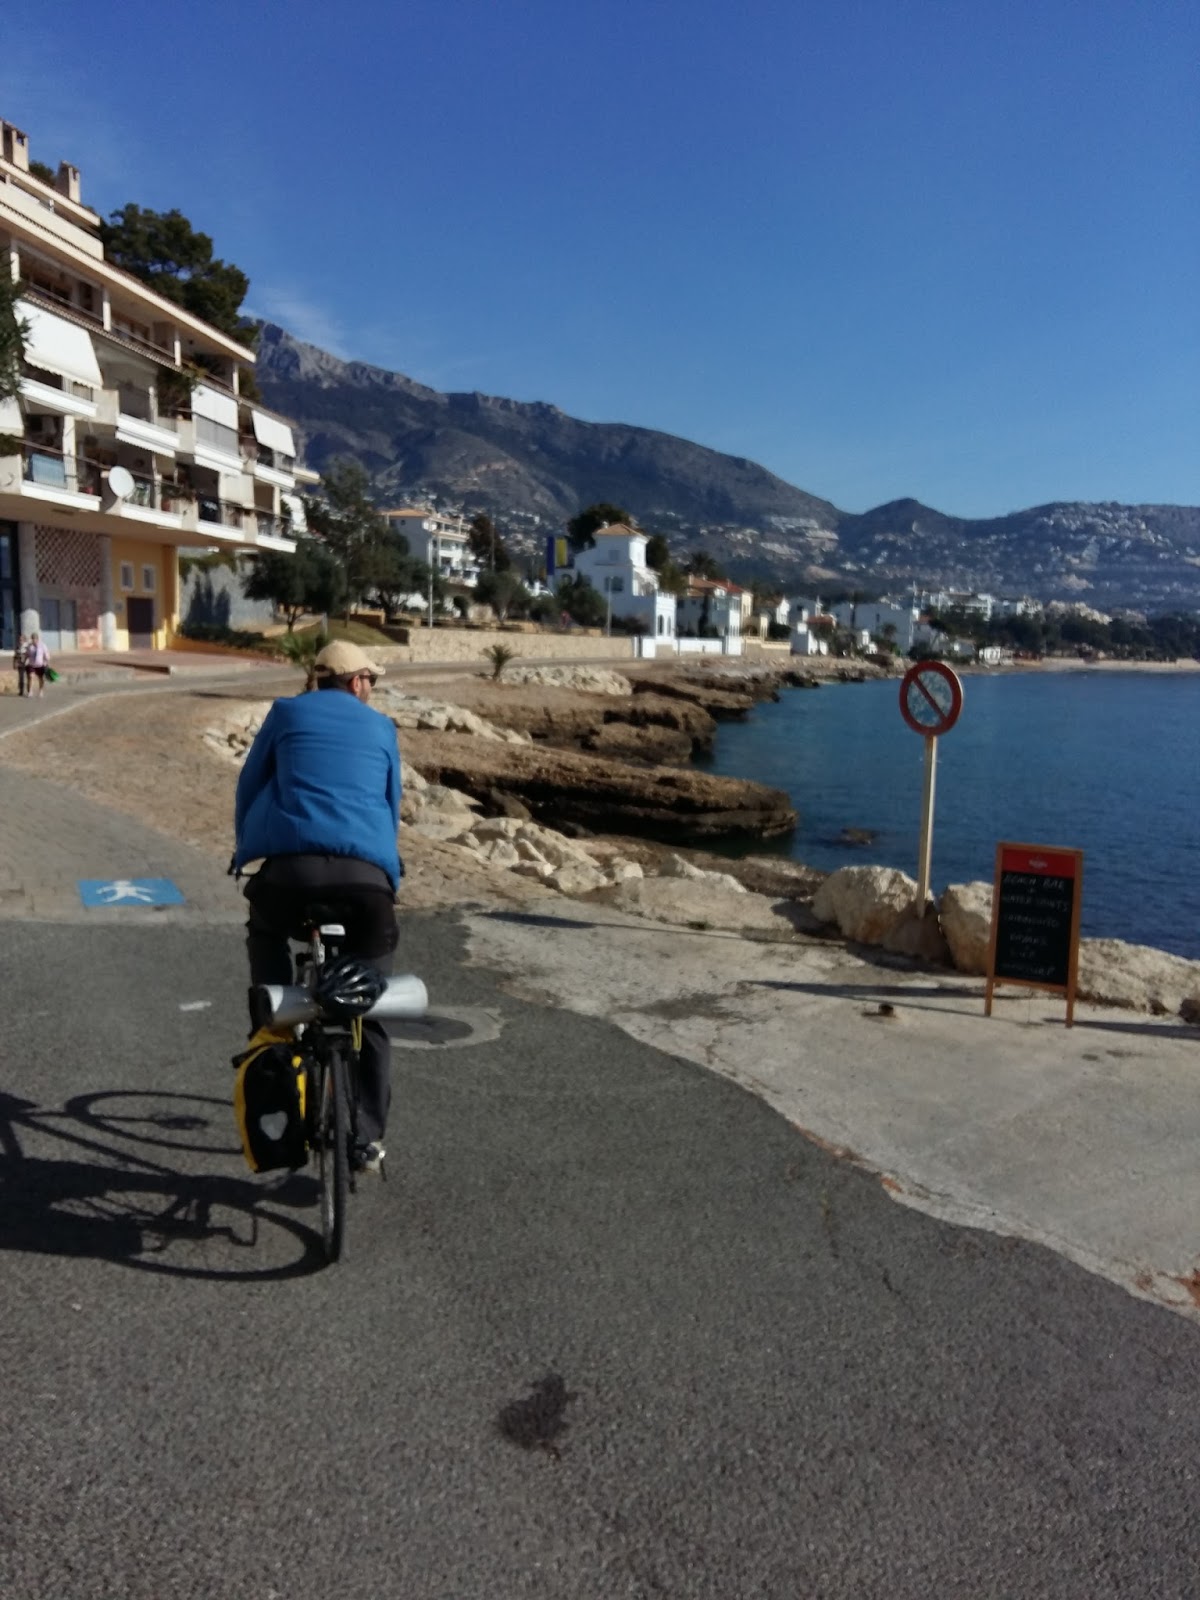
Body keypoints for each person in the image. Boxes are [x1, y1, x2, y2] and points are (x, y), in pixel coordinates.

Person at [233, 640, 402, 1171]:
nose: (371, 690)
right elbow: (390, 803)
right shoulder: (381, 728)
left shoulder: (285, 713)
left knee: (264, 931)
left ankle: (275, 1025)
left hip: (290, 875)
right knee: (370, 1007)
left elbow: (250, 784)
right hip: (365, 883)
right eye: (369, 681)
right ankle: (368, 1139)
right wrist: (384, 870)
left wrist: (248, 849)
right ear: (355, 683)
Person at [25, 633, 49, 697]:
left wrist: (46, 661)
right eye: (32, 639)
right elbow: (27, 654)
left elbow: (46, 654)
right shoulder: (30, 646)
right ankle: (30, 691)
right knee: (30, 677)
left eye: (35, 639)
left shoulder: (42, 646)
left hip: (40, 665)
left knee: (41, 678)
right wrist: (25, 661)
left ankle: (41, 691)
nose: (33, 640)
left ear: (37, 639)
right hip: (32, 664)